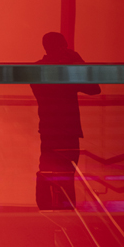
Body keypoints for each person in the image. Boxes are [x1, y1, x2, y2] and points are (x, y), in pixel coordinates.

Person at [31, 32, 100, 210]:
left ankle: (46, 209)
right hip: (68, 129)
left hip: (49, 129)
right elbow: (94, 88)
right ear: (62, 47)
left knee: (48, 169)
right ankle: (66, 211)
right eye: (64, 47)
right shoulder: (68, 71)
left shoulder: (38, 68)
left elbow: (94, 89)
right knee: (67, 173)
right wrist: (78, 62)